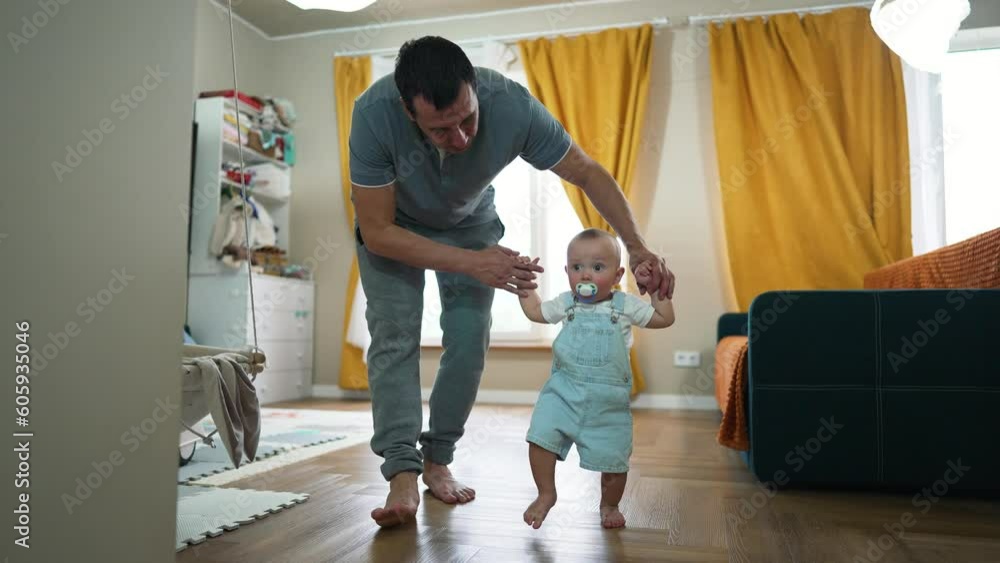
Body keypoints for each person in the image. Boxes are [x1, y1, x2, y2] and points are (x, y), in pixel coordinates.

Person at [348, 36, 675, 528]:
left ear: (475, 88)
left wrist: (637, 246)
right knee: (394, 335)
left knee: (468, 340)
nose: (461, 139)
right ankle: (401, 472)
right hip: (394, 228)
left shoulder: (512, 105)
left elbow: (586, 173)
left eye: (468, 119)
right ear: (407, 111)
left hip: (470, 221)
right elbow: (377, 232)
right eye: (440, 130)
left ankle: (437, 460)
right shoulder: (373, 115)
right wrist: (471, 263)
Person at [516, 229, 675, 529]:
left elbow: (664, 318)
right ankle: (546, 493)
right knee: (540, 438)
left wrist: (657, 291)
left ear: (617, 275)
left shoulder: (624, 305)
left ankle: (609, 504)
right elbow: (536, 312)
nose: (586, 275)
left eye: (598, 267)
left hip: (608, 404)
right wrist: (525, 284)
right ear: (567, 272)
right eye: (577, 267)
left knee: (614, 462)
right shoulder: (567, 303)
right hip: (562, 394)